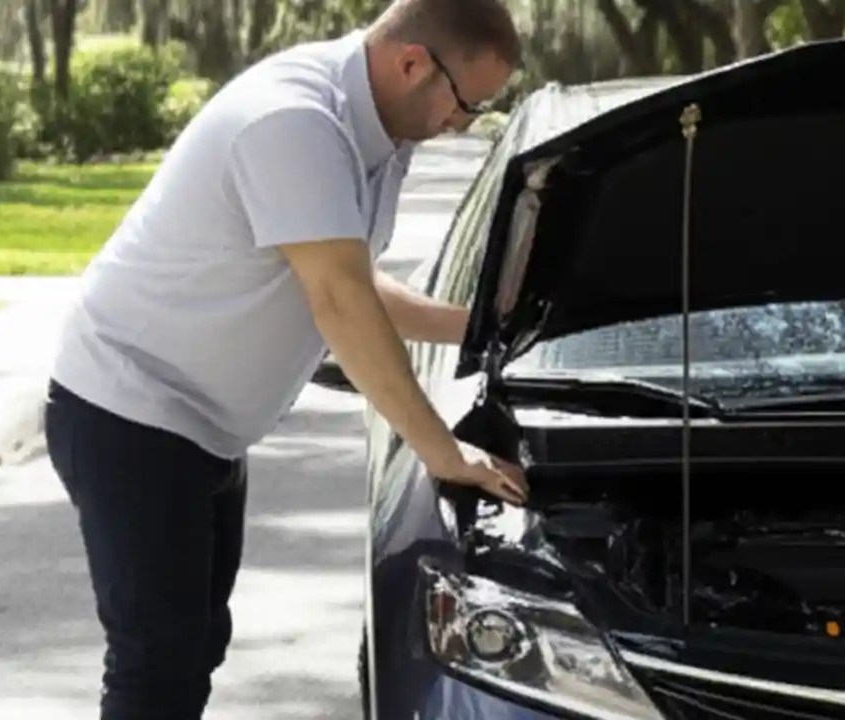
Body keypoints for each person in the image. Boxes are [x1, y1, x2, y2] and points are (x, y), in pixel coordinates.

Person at [42, 0, 529, 716]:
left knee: (194, 646)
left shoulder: (382, 139)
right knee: (156, 663)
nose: (463, 123)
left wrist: (482, 331)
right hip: (129, 415)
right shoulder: (296, 121)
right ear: (411, 63)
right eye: (466, 103)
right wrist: (442, 452)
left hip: (203, 429)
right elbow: (338, 301)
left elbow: (351, 280)